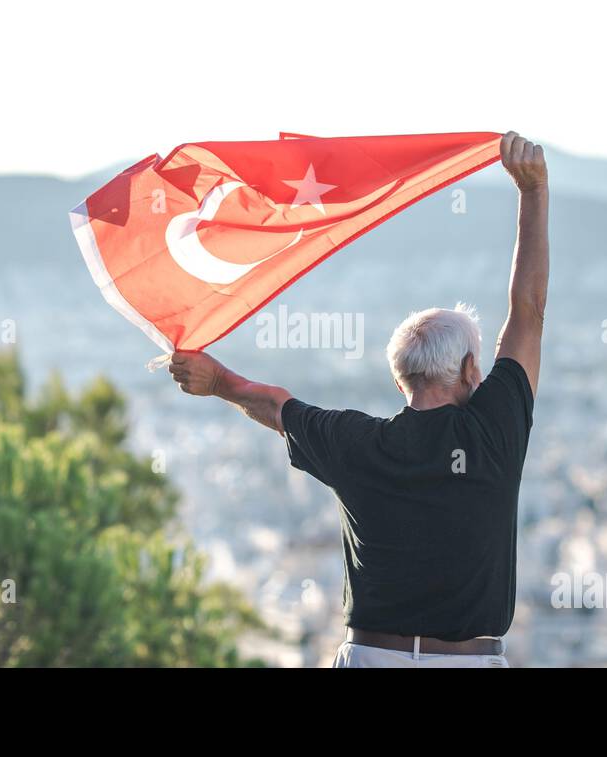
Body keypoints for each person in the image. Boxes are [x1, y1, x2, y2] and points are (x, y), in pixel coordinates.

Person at [168, 131, 548, 668]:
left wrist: (216, 380)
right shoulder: (494, 432)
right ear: (469, 371)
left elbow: (275, 405)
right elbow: (527, 309)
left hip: (373, 656)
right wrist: (533, 193)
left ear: (401, 382)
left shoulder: (358, 443)